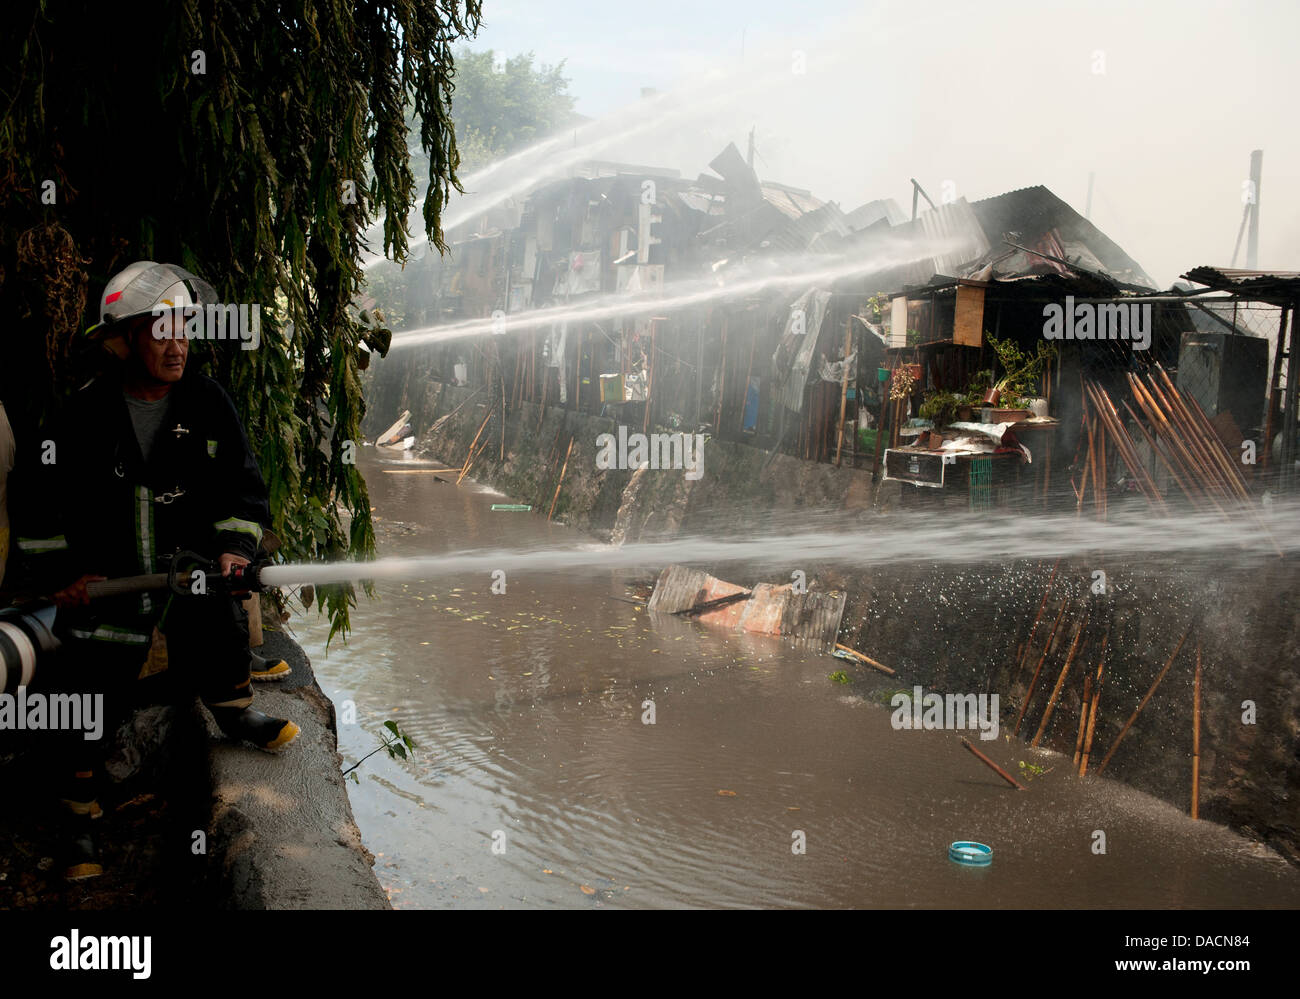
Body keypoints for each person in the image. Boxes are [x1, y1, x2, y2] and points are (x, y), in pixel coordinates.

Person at [10, 261, 299, 880]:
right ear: (126, 340)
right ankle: (79, 815)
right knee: (85, 694)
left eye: (185, 330)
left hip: (186, 580)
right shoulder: (80, 416)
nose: (178, 346)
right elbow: (33, 500)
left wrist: (232, 550)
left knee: (216, 616)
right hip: (107, 592)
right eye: (162, 332)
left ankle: (232, 708)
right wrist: (63, 572)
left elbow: (243, 491)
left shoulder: (208, 403)